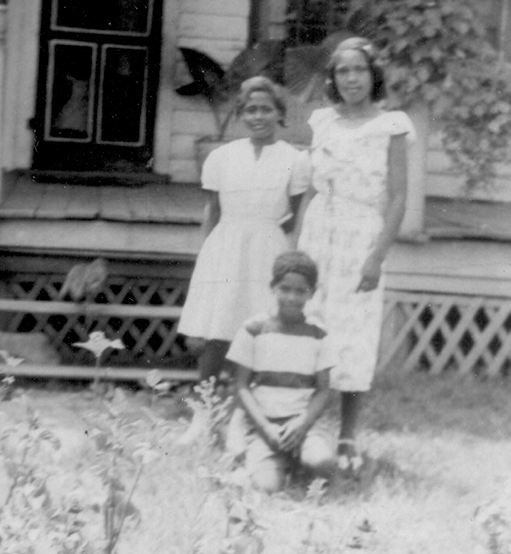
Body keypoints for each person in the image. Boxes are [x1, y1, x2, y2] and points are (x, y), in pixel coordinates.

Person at [297, 37, 414, 467]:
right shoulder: (323, 123)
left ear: (373, 75)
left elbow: (399, 198)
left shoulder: (392, 126)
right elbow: (311, 189)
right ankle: (302, 420)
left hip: (361, 234)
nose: (351, 79)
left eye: (359, 70)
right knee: (310, 326)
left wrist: (376, 257)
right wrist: (296, 252)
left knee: (353, 333)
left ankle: (347, 434)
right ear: (333, 78)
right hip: (318, 231)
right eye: (342, 71)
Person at [177, 76, 310, 441]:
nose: (258, 116)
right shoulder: (221, 157)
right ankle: (202, 419)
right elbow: (213, 211)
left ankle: (239, 418)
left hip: (269, 249)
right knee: (216, 335)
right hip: (225, 249)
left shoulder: (295, 160)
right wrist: (206, 256)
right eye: (250, 109)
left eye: (266, 109)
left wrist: (291, 262)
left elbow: (297, 216)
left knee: (256, 335)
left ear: (280, 114)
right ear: (240, 114)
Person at [226, 250, 337, 493]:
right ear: (273, 287)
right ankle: (272, 460)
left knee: (324, 464)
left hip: (302, 422)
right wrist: (266, 428)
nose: (291, 297)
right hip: (265, 424)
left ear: (312, 292)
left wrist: (303, 423)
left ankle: (299, 457)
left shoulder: (319, 334)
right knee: (265, 487)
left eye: (300, 291)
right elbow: (242, 386)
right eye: (285, 289)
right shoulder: (252, 329)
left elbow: (323, 390)